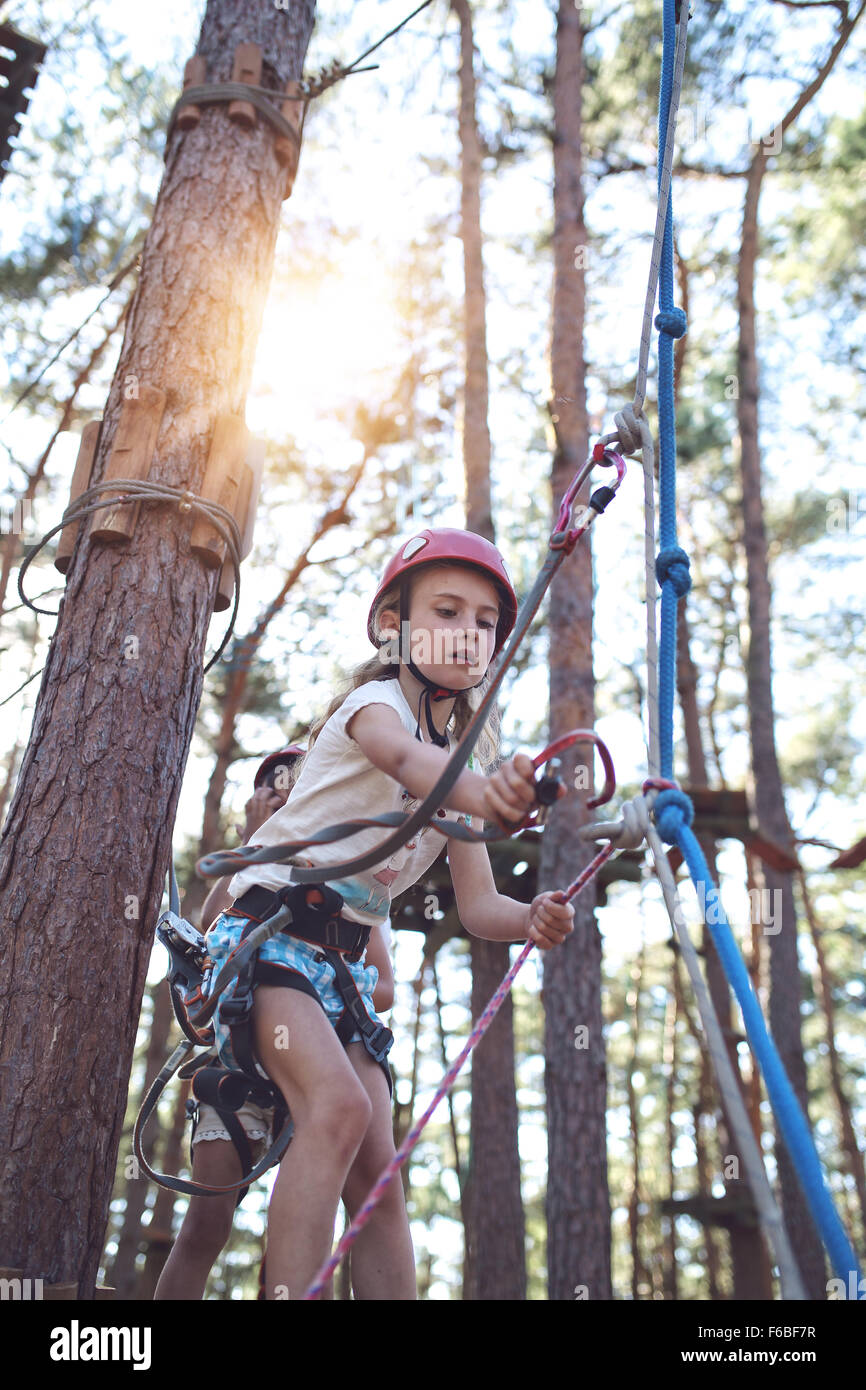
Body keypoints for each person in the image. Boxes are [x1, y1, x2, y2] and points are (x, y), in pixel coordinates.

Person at [204, 529, 575, 1300]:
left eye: (485, 623)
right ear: (392, 627)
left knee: (379, 1173)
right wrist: (486, 794)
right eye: (447, 610)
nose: (467, 632)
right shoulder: (375, 708)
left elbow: (480, 905)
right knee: (336, 1109)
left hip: (337, 967)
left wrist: (530, 917)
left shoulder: (463, 763)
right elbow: (409, 763)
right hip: (270, 933)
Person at [154, 748, 397, 1301]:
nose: (286, 796)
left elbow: (382, 988)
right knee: (206, 1223)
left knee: (313, 1221)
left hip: (318, 1065)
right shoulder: (252, 867)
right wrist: (254, 842)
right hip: (239, 1069)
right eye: (275, 788)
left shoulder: (350, 885)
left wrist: (320, 976)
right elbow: (214, 938)